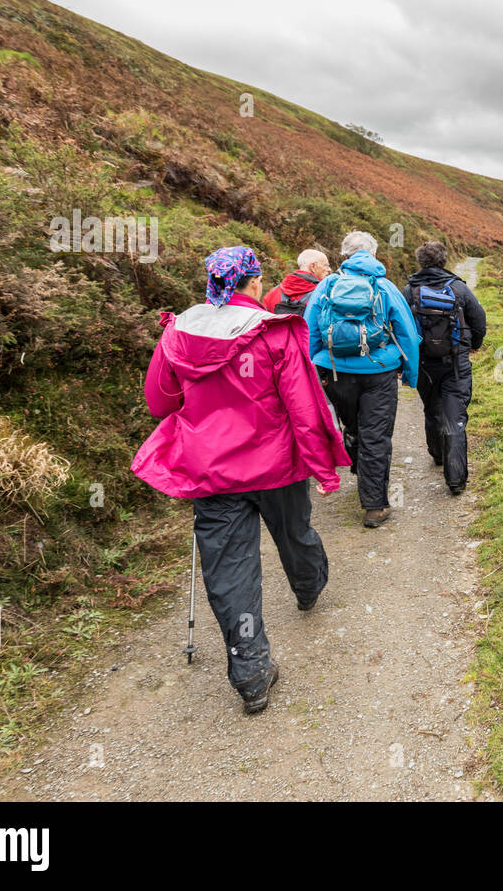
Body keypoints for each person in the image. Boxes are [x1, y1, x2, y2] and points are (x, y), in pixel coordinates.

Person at [132, 245, 351, 715]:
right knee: (295, 533)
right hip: (275, 465)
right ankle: (309, 587)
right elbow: (305, 408)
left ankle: (251, 674)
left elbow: (159, 402)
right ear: (253, 283)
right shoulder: (274, 332)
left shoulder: (180, 333)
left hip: (211, 472)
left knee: (229, 572)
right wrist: (324, 468)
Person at [305, 230, 420, 528]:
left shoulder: (327, 285)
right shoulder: (384, 285)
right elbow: (406, 332)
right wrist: (410, 374)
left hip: (335, 372)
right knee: (377, 434)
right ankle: (374, 506)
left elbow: (310, 330)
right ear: (373, 254)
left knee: (352, 425)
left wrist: (314, 367)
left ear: (345, 255)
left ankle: (356, 456)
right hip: (379, 372)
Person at [405, 241, 486, 494]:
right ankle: (456, 479)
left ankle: (437, 454)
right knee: (455, 417)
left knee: (432, 409)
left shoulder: (409, 290)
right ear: (444, 260)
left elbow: (400, 325)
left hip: (423, 363)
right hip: (456, 362)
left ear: (420, 262)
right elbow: (479, 319)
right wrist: (474, 343)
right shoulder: (458, 288)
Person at [262, 248, 332, 315]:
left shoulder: (272, 293)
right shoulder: (323, 294)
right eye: (326, 266)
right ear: (312, 267)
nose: (329, 270)